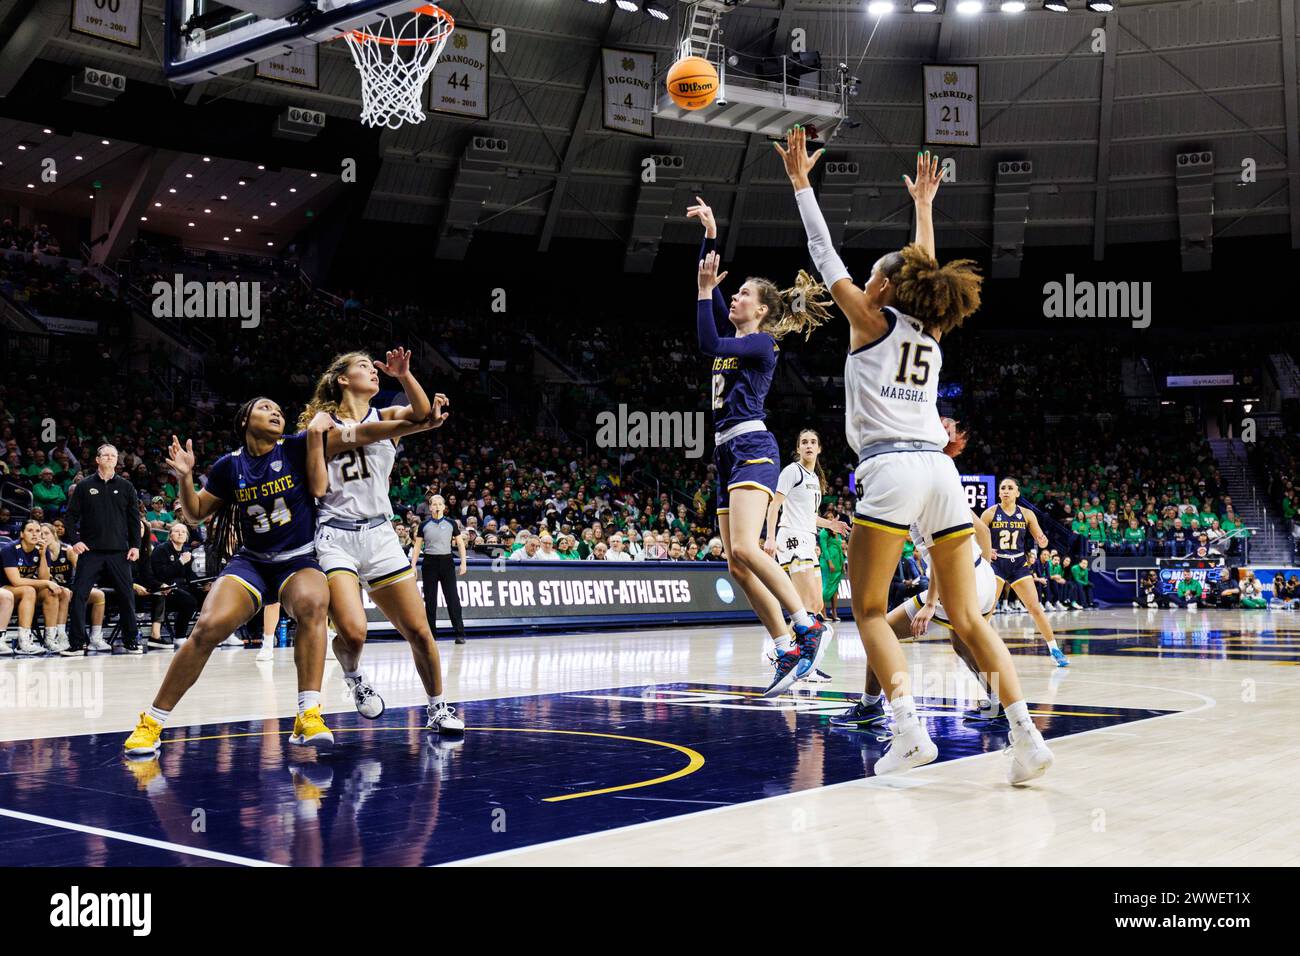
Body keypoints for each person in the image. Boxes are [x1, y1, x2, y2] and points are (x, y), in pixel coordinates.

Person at [780, 135, 1052, 783]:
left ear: (882, 288)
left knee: (871, 610)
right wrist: (925, 206)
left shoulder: (869, 322)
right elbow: (923, 266)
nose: (866, 283)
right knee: (968, 617)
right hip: (942, 475)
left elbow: (823, 254)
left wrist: (799, 184)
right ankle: (1026, 737)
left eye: (873, 278)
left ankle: (907, 731)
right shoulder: (928, 330)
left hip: (893, 470)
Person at [123, 397, 427, 758]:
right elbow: (195, 513)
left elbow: (359, 434)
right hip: (251, 562)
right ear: (244, 420)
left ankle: (308, 714)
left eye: (278, 409)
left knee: (314, 604)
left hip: (298, 560)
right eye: (265, 408)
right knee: (208, 628)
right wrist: (186, 478)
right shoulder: (228, 466)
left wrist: (414, 424)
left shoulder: (299, 446)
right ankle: (151, 723)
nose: (276, 412)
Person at [689, 194, 831, 697]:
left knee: (749, 546)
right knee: (734, 562)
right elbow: (711, 329)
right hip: (726, 451)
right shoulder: (739, 342)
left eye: (744, 293)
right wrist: (710, 234)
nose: (736, 297)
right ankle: (785, 644)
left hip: (753, 445)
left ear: (764, 310)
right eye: (736, 291)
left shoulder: (762, 342)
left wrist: (705, 291)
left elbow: (709, 342)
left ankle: (806, 624)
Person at [301, 350, 463, 733]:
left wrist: (405, 377)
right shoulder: (322, 425)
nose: (372, 371)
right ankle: (354, 676)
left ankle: (438, 708)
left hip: (379, 533)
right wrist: (421, 424)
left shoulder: (385, 414)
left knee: (419, 630)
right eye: (362, 367)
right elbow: (418, 418)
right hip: (335, 534)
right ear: (342, 379)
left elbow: (421, 412)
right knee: (354, 632)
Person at [63, 444, 141, 654]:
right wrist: (75, 540)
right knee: (79, 595)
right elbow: (70, 517)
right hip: (91, 551)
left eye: (113, 455)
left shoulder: (126, 487)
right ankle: (77, 643)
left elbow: (134, 519)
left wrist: (135, 545)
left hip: (119, 551)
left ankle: (131, 641)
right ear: (97, 459)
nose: (109, 458)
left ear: (117, 460)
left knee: (127, 596)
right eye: (105, 455)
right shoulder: (84, 485)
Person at [982, 478, 1068, 666]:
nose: (1006, 491)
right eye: (1003, 488)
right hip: (997, 564)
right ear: (999, 493)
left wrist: (1043, 540)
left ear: (1017, 493)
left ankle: (1054, 649)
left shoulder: (1027, 514)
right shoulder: (989, 513)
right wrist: (988, 549)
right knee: (989, 608)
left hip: (1019, 564)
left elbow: (1040, 538)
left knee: (1035, 608)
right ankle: (976, 648)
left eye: (1010, 488)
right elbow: (977, 538)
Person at [1, 520, 65, 655]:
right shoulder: (10, 549)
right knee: (29, 590)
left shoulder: (42, 549)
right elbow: (16, 581)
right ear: (22, 534)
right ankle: (23, 642)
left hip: (25, 593)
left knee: (50, 592)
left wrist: (42, 555)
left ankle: (49, 640)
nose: (35, 534)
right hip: (5, 588)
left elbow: (44, 578)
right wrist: (46, 583)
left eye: (38, 531)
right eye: (30, 531)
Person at [41, 522, 105, 655]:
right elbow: (42, 579)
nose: (43, 536)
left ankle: (96, 638)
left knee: (99, 595)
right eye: (40, 534)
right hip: (48, 589)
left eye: (46, 533)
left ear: (54, 535)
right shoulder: (38, 551)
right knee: (61, 593)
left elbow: (82, 572)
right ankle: (60, 634)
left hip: (70, 587)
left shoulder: (68, 550)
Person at [414, 493, 467, 645]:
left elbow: (460, 544)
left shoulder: (451, 523)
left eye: (439, 504)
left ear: (444, 506)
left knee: (452, 598)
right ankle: (431, 635)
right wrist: (413, 566)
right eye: (434, 504)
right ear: (430, 507)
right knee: (430, 599)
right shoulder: (423, 525)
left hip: (447, 561)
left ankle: (460, 633)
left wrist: (463, 563)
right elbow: (417, 546)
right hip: (429, 562)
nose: (437, 506)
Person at [149, 521, 200, 648]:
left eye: (183, 532)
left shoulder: (186, 553)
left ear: (187, 537)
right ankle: (180, 636)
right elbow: (161, 574)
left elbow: (189, 576)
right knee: (189, 602)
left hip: (182, 587)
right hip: (164, 589)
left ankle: (201, 635)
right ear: (170, 535)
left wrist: (202, 585)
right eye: (177, 531)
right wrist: (180, 562)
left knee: (207, 597)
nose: (180, 534)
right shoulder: (161, 550)